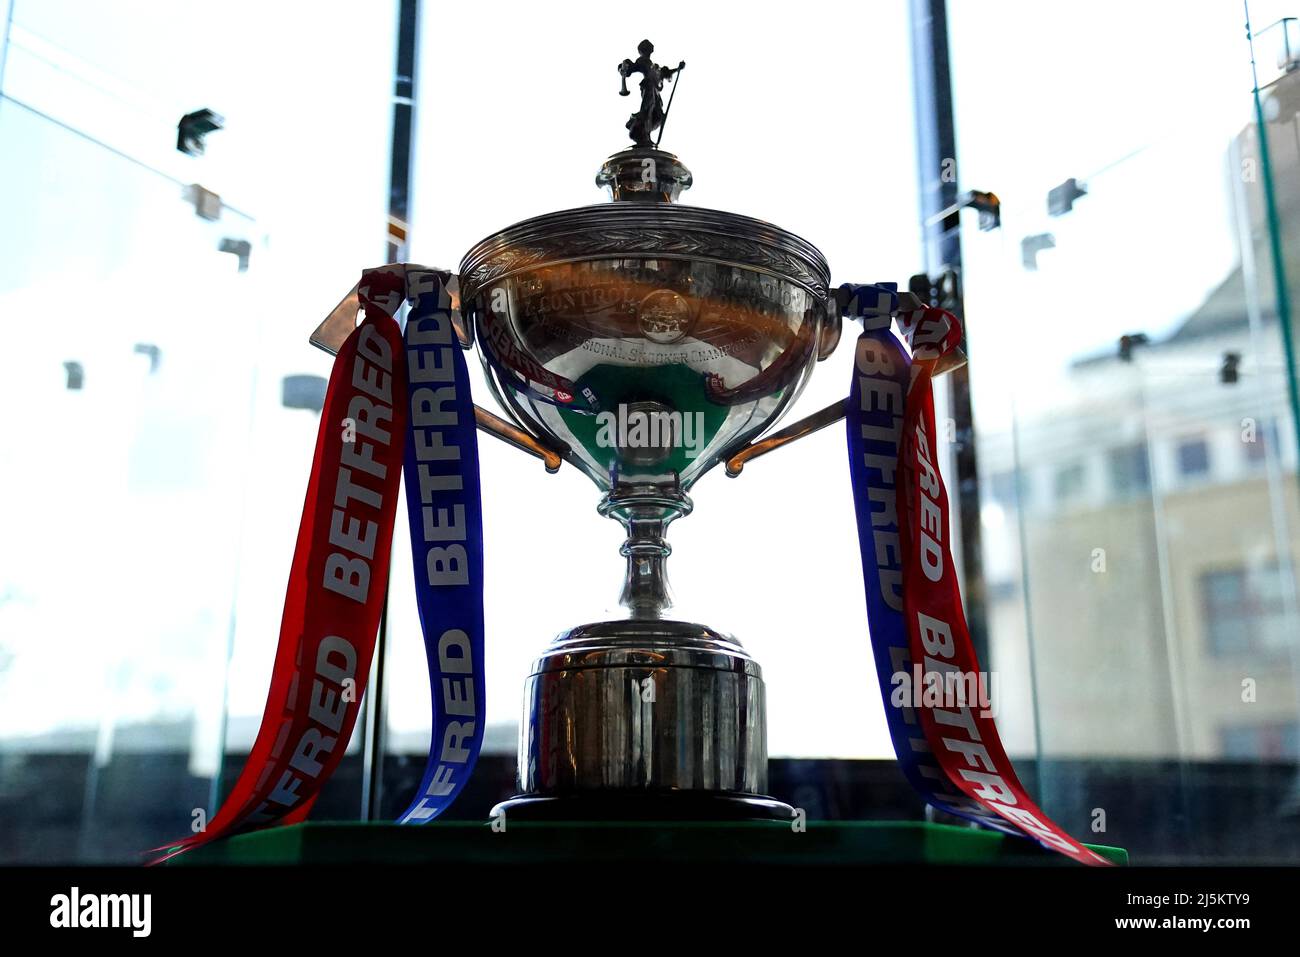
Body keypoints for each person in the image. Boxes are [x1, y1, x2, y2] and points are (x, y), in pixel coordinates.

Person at [618, 40, 684, 148]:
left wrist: (678, 69)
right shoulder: (642, 61)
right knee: (648, 110)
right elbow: (631, 68)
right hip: (648, 87)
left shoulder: (652, 65)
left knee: (657, 115)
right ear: (644, 50)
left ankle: (645, 135)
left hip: (655, 91)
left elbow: (664, 73)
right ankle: (643, 134)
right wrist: (624, 70)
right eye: (649, 47)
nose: (651, 49)